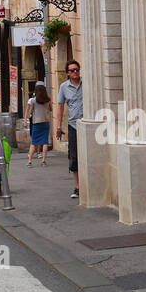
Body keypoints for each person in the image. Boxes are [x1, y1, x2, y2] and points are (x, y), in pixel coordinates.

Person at [55, 61, 83, 198]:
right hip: (73, 126)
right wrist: (59, 126)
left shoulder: (86, 83)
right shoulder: (63, 87)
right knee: (74, 157)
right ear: (67, 73)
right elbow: (60, 107)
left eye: (77, 69)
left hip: (88, 125)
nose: (75, 72)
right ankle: (77, 187)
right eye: (72, 71)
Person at [26, 81, 52, 166]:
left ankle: (30, 161)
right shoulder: (48, 100)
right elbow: (50, 109)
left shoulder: (33, 101)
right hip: (46, 122)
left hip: (36, 123)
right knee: (45, 142)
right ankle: (43, 161)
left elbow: (30, 112)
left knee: (34, 142)